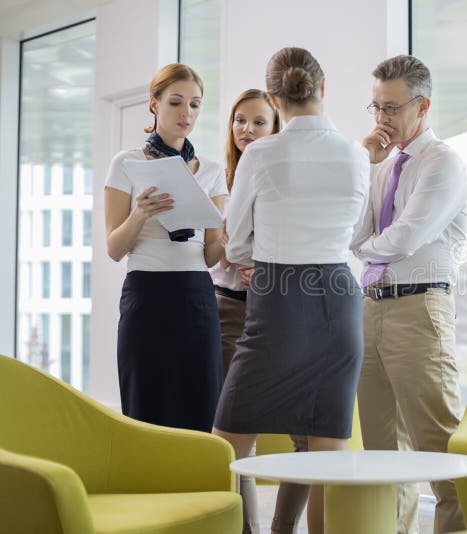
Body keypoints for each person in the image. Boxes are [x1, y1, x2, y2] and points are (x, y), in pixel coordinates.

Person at [213, 47, 370, 534]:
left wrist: (261, 249)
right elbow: (356, 232)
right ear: (323, 89)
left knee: (226, 444)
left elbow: (235, 243)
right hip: (339, 298)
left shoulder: (261, 154)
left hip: (277, 299)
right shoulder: (356, 154)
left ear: (274, 99)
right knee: (328, 458)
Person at [351, 55, 467, 534]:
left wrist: (364, 247)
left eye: (392, 108)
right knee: (383, 454)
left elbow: (403, 239)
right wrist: (365, 165)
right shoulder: (382, 167)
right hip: (371, 309)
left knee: (439, 447)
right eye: (376, 107)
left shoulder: (442, 162)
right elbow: (353, 231)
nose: (381, 119)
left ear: (423, 106)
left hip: (420, 309)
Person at [104, 63, 227, 432]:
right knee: (145, 410)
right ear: (154, 104)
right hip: (147, 296)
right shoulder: (126, 163)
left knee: (201, 410)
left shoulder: (211, 170)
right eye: (175, 102)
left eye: (194, 104)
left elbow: (210, 254)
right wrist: (141, 213)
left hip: (196, 297)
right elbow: (114, 248)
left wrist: (228, 238)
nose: (186, 113)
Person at [211, 88, 310, 534]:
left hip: (283, 311)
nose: (247, 130)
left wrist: (269, 267)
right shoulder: (218, 181)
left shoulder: (287, 181)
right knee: (235, 436)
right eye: (240, 121)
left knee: (306, 434)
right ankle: (245, 529)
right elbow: (213, 251)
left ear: (276, 128)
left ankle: (282, 528)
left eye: (258, 122)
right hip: (229, 311)